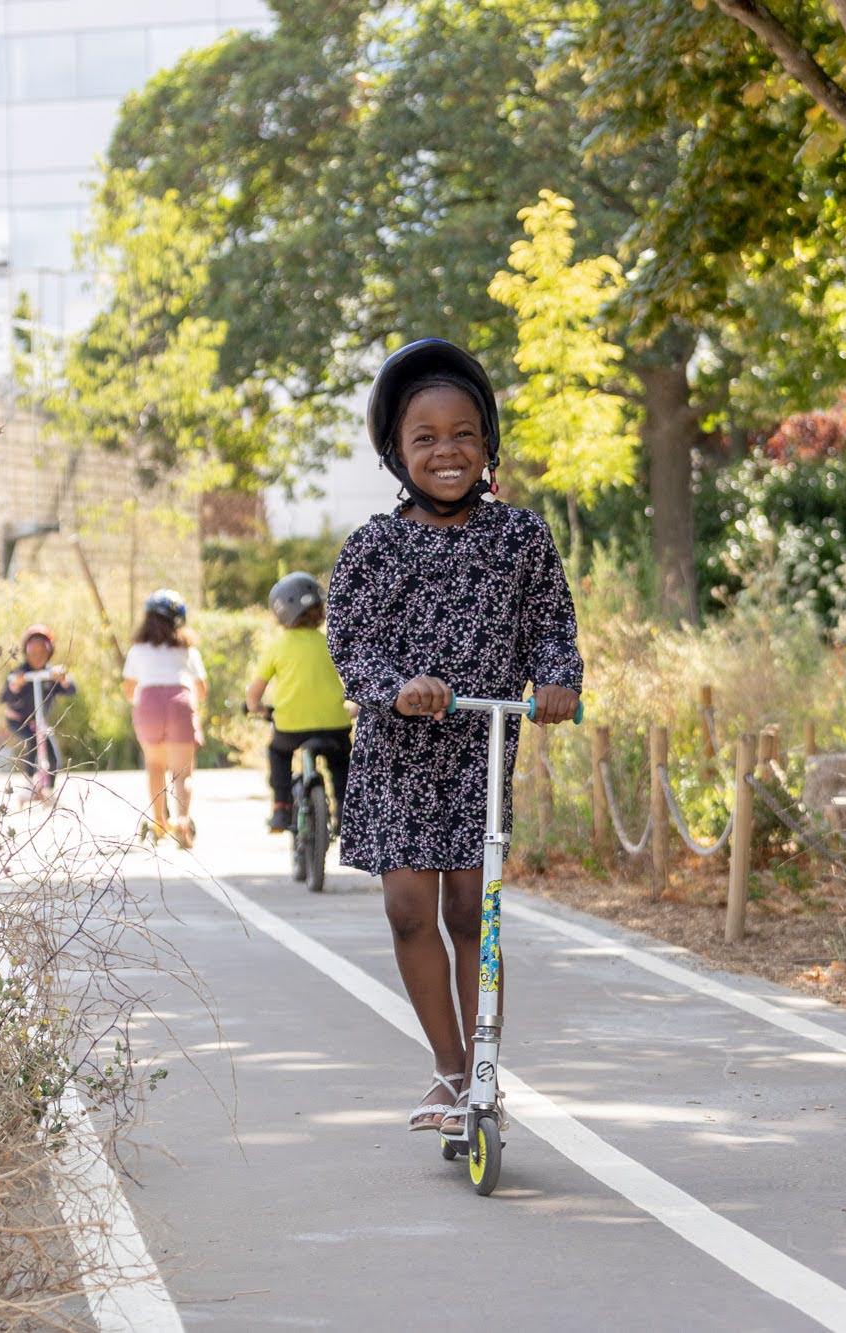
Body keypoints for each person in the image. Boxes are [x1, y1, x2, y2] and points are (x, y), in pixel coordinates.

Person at [327, 338, 582, 1136]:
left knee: (474, 908)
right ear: (399, 453)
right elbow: (350, 643)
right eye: (425, 437)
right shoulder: (373, 547)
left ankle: (483, 1067)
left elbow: (551, 625)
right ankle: (446, 1064)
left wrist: (557, 679)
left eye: (463, 433)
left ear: (487, 444)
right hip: (398, 755)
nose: (447, 450)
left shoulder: (520, 538)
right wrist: (398, 687)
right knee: (411, 908)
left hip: (480, 749)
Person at [245, 572, 352, 833]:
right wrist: (355, 707)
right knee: (340, 761)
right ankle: (345, 812)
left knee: (278, 753)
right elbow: (353, 681)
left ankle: (281, 808)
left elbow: (255, 693)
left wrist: (254, 707)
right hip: (334, 724)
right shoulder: (331, 643)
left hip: (290, 726)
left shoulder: (277, 646)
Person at [122, 589, 207, 847]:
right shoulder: (188, 651)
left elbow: (129, 691)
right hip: (180, 702)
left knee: (155, 767)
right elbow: (201, 689)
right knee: (183, 774)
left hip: (148, 704)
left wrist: (144, 704)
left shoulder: (137, 650)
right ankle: (182, 820)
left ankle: (159, 823)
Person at [0, 625, 75, 798]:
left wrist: (63, 678)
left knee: (52, 753)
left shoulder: (51, 674)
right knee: (33, 740)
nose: (38, 656)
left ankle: (49, 788)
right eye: (33, 652)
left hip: (39, 723)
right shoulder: (20, 673)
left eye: (42, 652)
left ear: (49, 652)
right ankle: (29, 782)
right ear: (27, 652)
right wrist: (16, 685)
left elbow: (71, 690)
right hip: (19, 720)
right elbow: (5, 697)